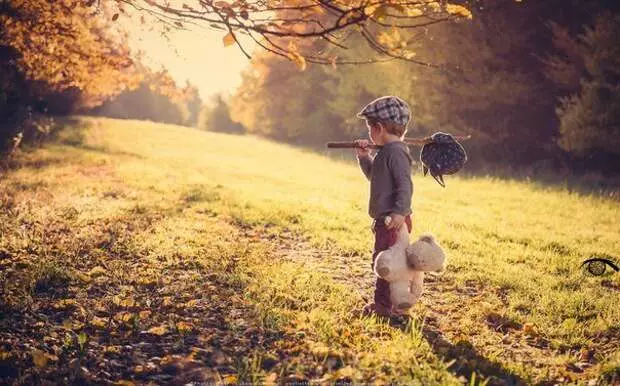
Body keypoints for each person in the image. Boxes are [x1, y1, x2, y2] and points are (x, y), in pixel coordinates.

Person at [353, 96, 414, 318]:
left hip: (393, 220)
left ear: (378, 128)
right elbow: (375, 177)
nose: (369, 134)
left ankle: (383, 306)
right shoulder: (384, 152)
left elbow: (405, 185)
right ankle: (394, 303)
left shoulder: (396, 153)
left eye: (370, 128)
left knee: (385, 263)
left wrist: (399, 212)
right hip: (385, 220)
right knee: (385, 261)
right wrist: (364, 157)